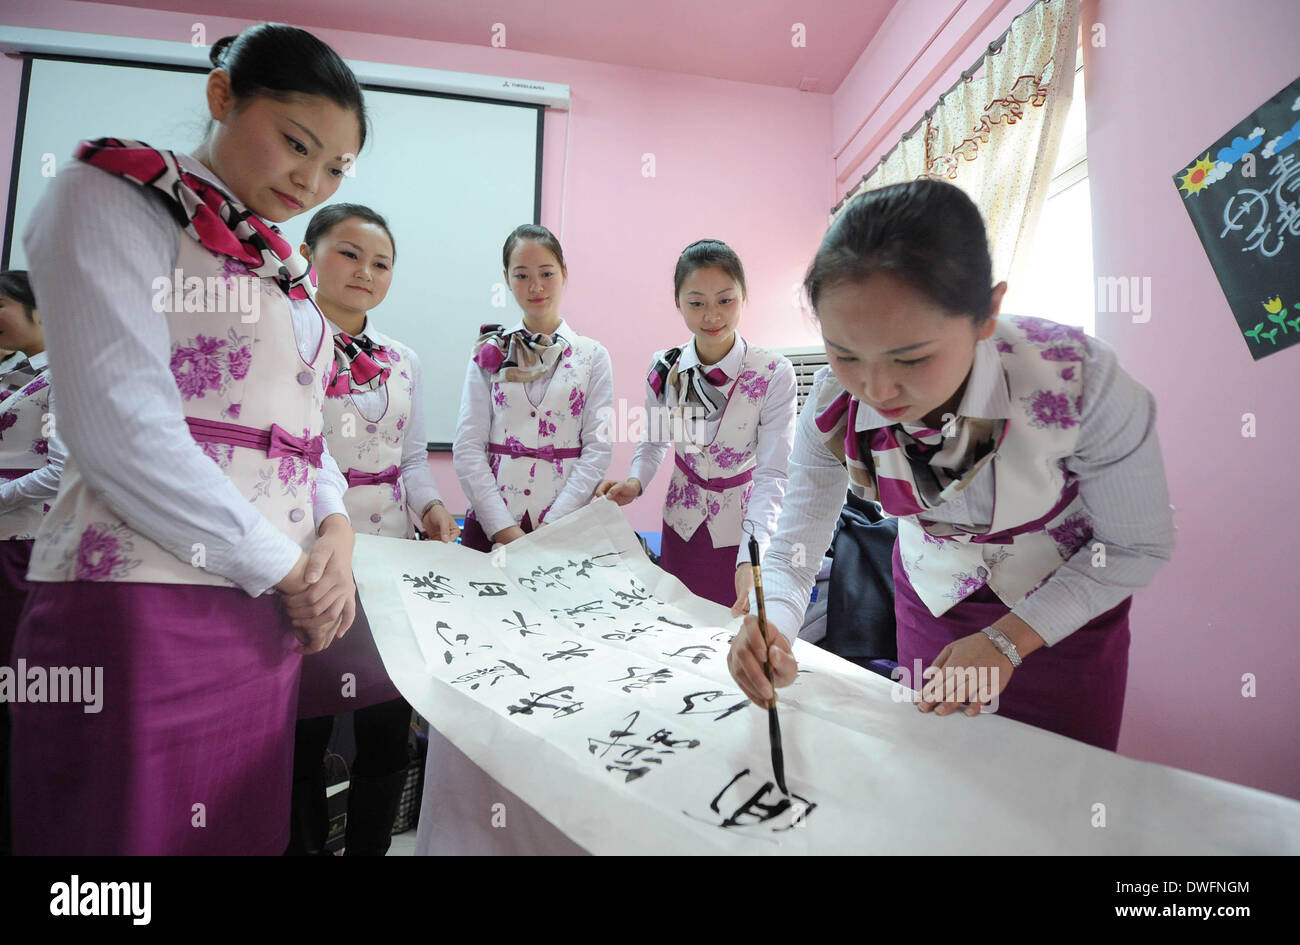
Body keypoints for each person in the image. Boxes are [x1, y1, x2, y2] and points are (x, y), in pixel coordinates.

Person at [11, 23, 367, 854]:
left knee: (236, 832)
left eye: (336, 168)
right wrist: (290, 569)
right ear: (221, 97)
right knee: (117, 843)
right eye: (295, 143)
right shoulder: (115, 194)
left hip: (270, 611)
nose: (311, 180)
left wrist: (338, 535)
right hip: (145, 596)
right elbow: (117, 428)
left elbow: (306, 442)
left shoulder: (285, 273)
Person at [729, 178, 1175, 751]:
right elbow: (798, 541)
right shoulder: (833, 406)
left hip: (1065, 617)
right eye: (844, 354)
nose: (876, 388)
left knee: (1058, 798)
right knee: (938, 781)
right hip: (933, 607)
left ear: (987, 312)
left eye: (910, 358)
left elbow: (1137, 545)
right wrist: (777, 625)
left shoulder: (1079, 382)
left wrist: (1010, 641)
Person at [289, 203, 459, 855]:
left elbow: (412, 459)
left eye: (381, 262)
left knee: (386, 723)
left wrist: (435, 510)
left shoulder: (402, 358)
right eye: (349, 254)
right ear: (307, 254)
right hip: (308, 555)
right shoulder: (282, 342)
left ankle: (368, 848)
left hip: (391, 563)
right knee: (305, 726)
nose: (366, 271)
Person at [596, 240, 796, 612]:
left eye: (725, 300)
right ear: (678, 303)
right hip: (681, 526)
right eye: (696, 302)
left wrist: (751, 554)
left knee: (734, 637)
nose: (712, 315)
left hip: (743, 531)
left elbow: (773, 474)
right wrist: (635, 482)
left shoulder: (773, 372)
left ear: (743, 295)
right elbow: (654, 443)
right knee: (679, 631)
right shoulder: (665, 367)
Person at [454, 224, 613, 550]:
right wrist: (503, 529)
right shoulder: (490, 351)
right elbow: (468, 446)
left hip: (566, 527)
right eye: (522, 275)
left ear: (564, 273)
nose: (536, 286)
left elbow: (597, 449)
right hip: (491, 526)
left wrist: (552, 526)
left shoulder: (593, 355)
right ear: (507, 278)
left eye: (546, 273)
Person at [0, 270, 66, 856]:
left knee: (18, 682)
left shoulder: (65, 375)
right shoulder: (13, 373)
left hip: (28, 541)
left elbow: (65, 469)